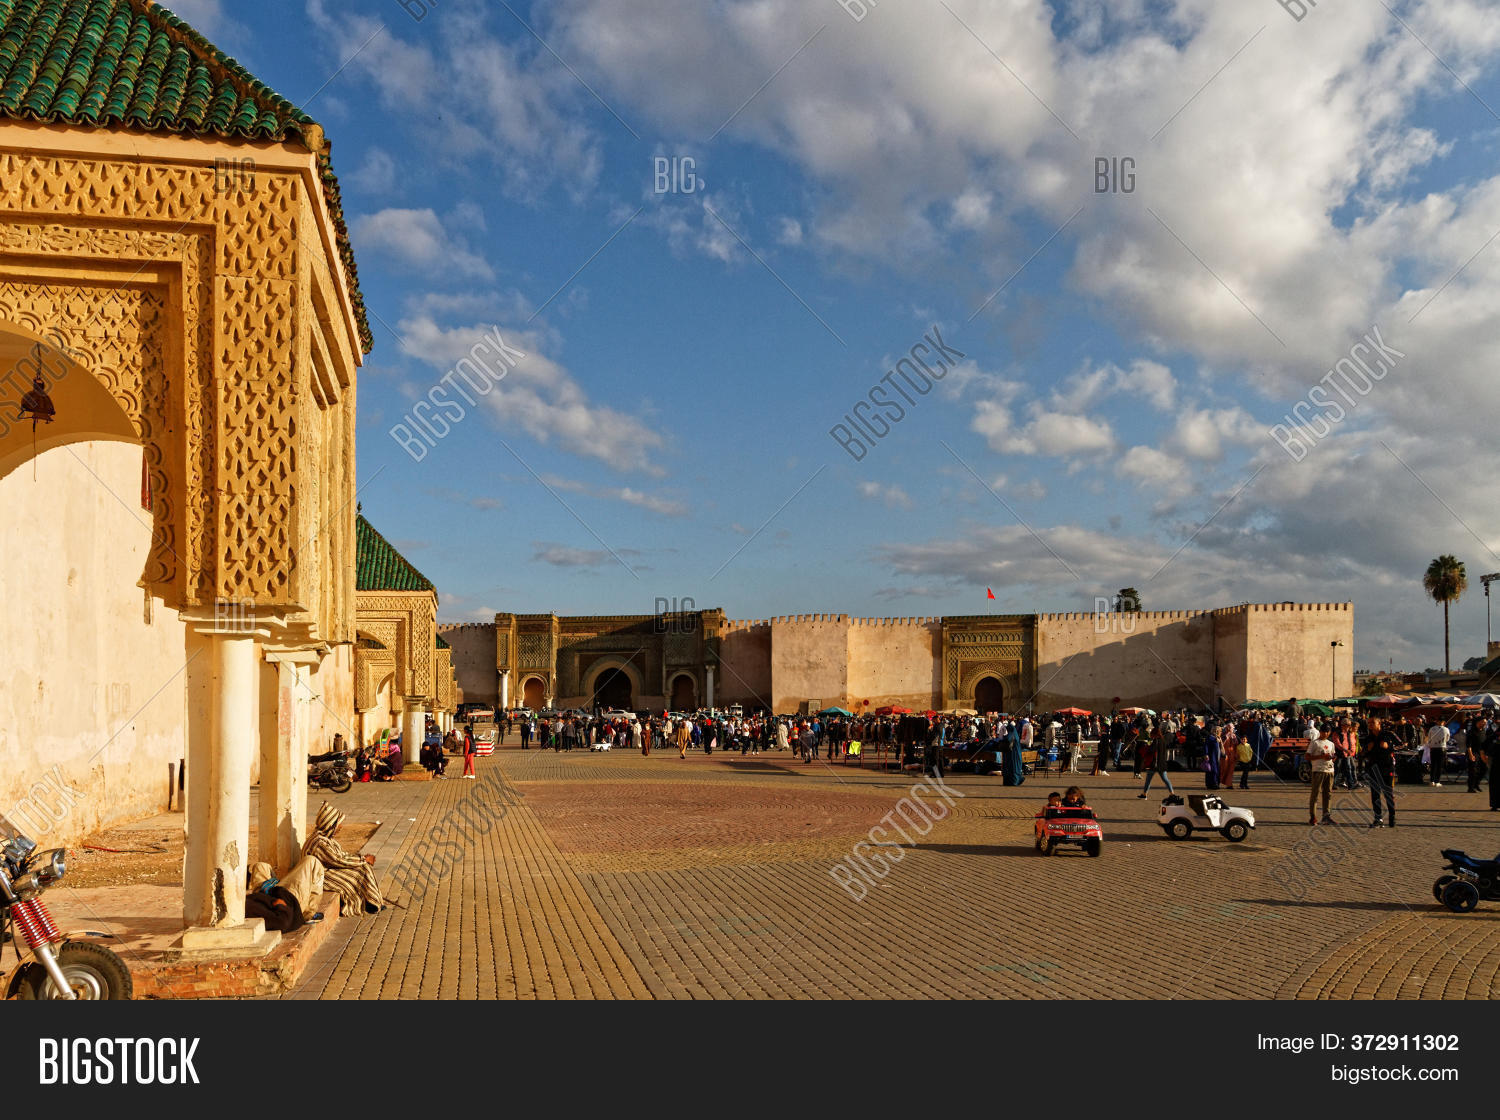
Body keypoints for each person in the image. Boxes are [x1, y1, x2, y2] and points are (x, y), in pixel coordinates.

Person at [1364, 717, 1399, 828]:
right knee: (1375, 795)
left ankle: (1392, 816)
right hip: (1373, 769)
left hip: (1387, 768)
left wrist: (1389, 747)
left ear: (1379, 723)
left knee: (1388, 793)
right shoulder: (1368, 737)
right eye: (1368, 723)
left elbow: (1399, 745)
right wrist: (1368, 749)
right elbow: (1364, 752)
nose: (1370, 725)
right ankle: (1378, 818)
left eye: (1372, 723)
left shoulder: (1387, 735)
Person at [1305, 726, 1336, 825]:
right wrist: (1321, 756)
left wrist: (1332, 757)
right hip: (1318, 770)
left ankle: (1326, 815)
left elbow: (1333, 755)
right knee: (1315, 793)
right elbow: (1307, 756)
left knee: (1328, 794)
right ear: (1320, 732)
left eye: (1327, 732)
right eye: (1323, 732)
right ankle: (1313, 816)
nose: (1325, 734)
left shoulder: (1331, 744)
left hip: (1329, 770)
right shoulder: (1315, 743)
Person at [1138, 734, 1175, 798]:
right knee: (1165, 779)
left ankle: (1144, 793)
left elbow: (1152, 750)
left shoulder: (1156, 741)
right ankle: (1172, 793)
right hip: (1161, 763)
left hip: (1154, 763)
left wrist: (1147, 746)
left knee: (1148, 780)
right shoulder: (1163, 741)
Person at [1422, 718, 1449, 787]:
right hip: (1442, 748)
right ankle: (1437, 781)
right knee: (1439, 765)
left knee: (1433, 765)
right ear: (1444, 722)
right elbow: (1447, 739)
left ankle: (1432, 781)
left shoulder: (1432, 729)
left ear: (1437, 721)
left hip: (1433, 748)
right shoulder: (1446, 729)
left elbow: (1429, 737)